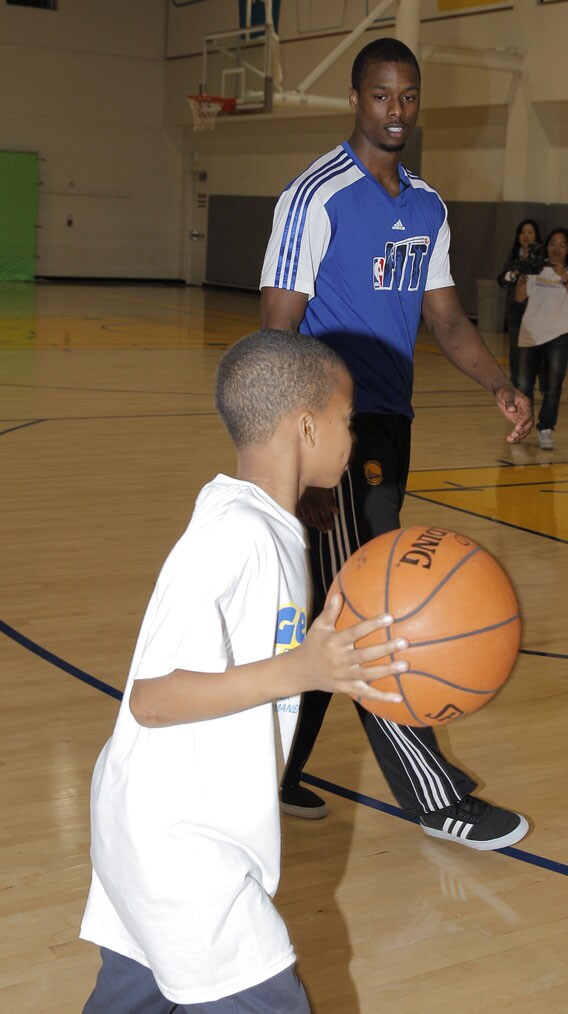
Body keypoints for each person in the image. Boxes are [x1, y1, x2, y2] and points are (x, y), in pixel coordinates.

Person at [79, 329, 410, 1013]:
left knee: (133, 998)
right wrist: (305, 669)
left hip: (153, 819)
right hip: (180, 844)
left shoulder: (268, 523)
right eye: (348, 421)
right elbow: (152, 698)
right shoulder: (237, 534)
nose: (354, 438)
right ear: (307, 425)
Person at [260, 37, 533, 850]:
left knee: (331, 602)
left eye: (409, 98)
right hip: (324, 430)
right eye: (382, 96)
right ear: (356, 99)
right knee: (369, 604)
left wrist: (497, 384)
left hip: (391, 425)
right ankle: (433, 793)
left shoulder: (427, 207)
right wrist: (291, 441)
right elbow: (276, 324)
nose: (397, 112)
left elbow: (445, 317)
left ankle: (271, 774)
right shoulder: (316, 197)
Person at [515, 227, 568, 450]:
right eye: (553, 243)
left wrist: (564, 278)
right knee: (523, 385)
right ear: (546, 246)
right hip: (531, 333)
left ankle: (545, 428)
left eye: (562, 245)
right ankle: (521, 425)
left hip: (559, 335)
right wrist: (523, 276)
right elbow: (519, 298)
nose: (557, 248)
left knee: (553, 386)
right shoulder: (537, 268)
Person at [497, 218, 543, 387]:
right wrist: (514, 274)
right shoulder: (514, 255)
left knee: (538, 351)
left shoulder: (543, 257)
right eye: (522, 232)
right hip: (516, 310)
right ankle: (516, 386)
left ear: (536, 236)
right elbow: (501, 280)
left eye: (530, 232)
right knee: (516, 351)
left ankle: (537, 381)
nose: (526, 236)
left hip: (537, 312)